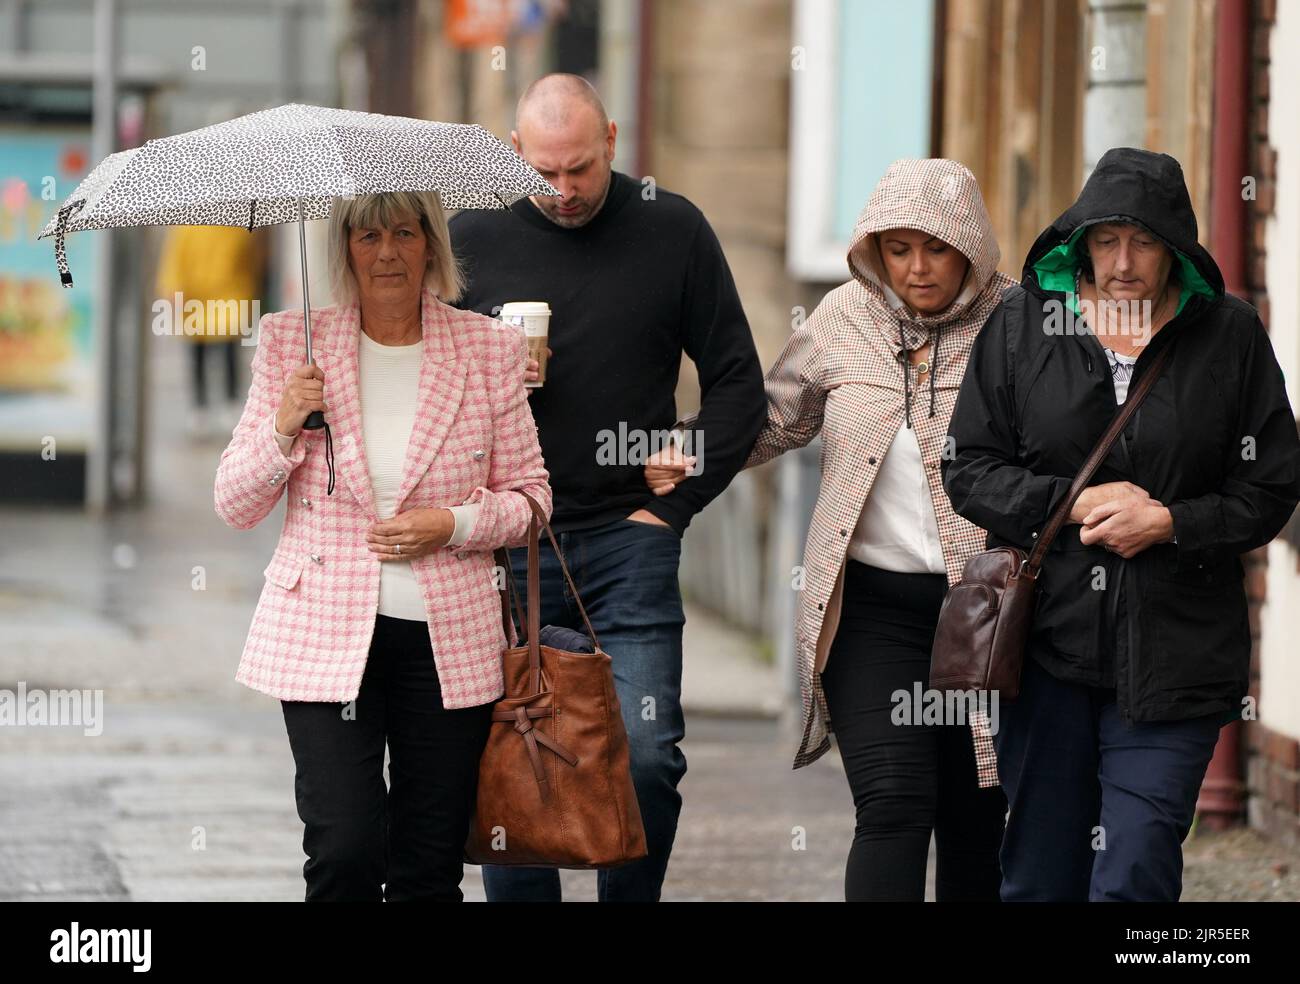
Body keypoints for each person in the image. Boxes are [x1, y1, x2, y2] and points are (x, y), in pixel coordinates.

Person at [942, 147, 1300, 901]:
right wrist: (1067, 506)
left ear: (1176, 251)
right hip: (1046, 650)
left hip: (1179, 653)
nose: (1125, 261)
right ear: (1081, 242)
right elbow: (968, 467)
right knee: (1042, 875)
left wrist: (1170, 521)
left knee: (1134, 866)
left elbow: (1271, 484)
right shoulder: (1020, 327)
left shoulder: (1229, 336)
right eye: (1107, 240)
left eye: (1144, 242)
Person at [649, 159, 1012, 901]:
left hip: (987, 613)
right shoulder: (843, 316)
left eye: (936, 249)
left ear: (970, 246)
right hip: (873, 613)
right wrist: (687, 450)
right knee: (894, 804)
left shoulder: (1020, 323)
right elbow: (777, 416)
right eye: (898, 249)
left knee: (977, 818)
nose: (917, 268)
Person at [449, 73, 766, 902]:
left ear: (614, 141)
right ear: (514, 153)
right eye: (544, 171)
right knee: (517, 758)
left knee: (648, 755)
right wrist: (487, 376)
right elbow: (425, 388)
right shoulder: (471, 238)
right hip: (512, 540)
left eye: (580, 170)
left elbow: (739, 383)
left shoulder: (673, 229)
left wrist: (678, 491)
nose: (562, 191)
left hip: (632, 539)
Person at [214, 189, 551, 902]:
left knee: (428, 867)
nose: (388, 252)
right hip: (325, 637)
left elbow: (532, 500)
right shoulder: (290, 344)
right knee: (344, 849)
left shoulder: (487, 347)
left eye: (405, 232)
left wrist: (452, 525)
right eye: (368, 237)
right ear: (345, 251)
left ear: (432, 244)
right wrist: (282, 427)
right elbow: (235, 504)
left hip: (449, 641)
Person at [156, 224, 267, 439]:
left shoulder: (234, 229)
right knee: (200, 353)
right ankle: (202, 405)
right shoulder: (188, 229)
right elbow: (176, 261)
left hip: (228, 295)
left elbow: (248, 262)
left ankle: (224, 402)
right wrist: (173, 290)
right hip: (198, 298)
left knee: (226, 351)